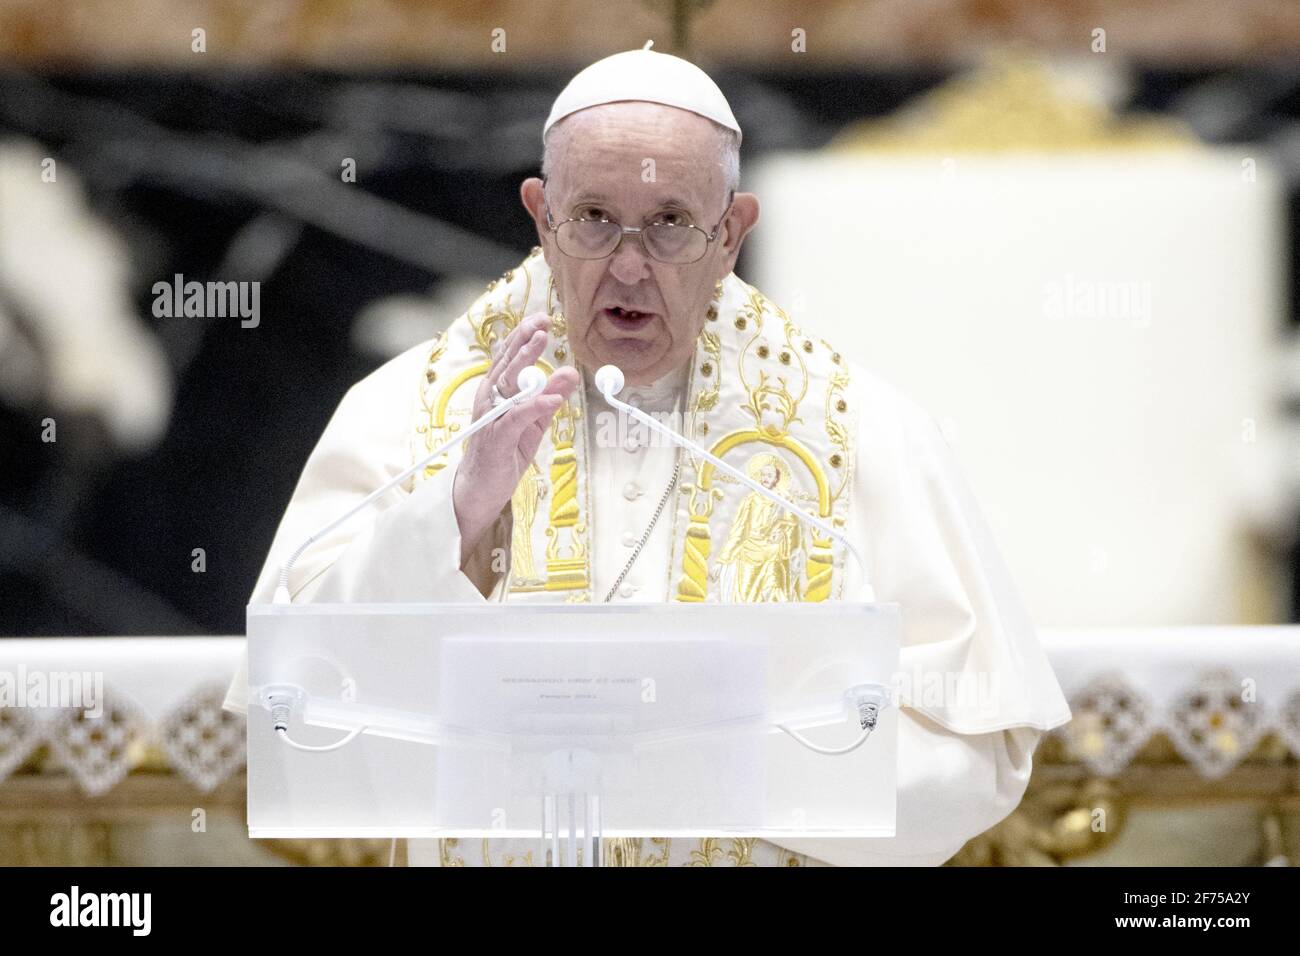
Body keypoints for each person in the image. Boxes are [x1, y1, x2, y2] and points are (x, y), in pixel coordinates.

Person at [223, 44, 1071, 867]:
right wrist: (453, 514)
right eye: (594, 219)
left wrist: (706, 761)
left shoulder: (860, 432)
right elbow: (297, 727)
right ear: (540, 218)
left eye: (670, 224)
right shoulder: (407, 416)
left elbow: (973, 763)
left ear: (732, 231)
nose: (628, 267)